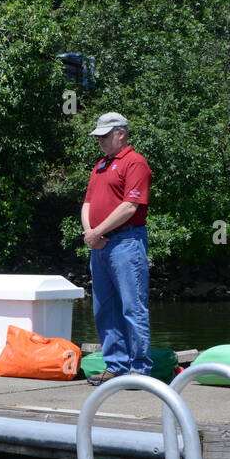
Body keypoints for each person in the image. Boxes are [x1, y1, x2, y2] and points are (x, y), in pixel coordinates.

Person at [81, 112, 152, 386]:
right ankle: (116, 365)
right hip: (99, 245)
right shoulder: (100, 165)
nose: (100, 141)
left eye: (104, 136)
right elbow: (87, 204)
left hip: (126, 241)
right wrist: (90, 233)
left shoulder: (135, 162)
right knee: (104, 308)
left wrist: (99, 232)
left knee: (132, 307)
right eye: (98, 136)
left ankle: (140, 368)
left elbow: (129, 206)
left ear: (121, 133)